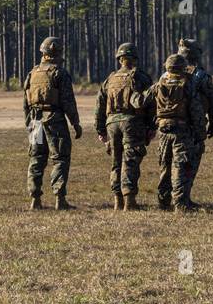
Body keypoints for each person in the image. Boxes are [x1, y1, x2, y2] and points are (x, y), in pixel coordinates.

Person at [132, 53, 203, 211]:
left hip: (163, 130)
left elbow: (140, 102)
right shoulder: (188, 83)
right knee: (180, 166)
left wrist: (134, 93)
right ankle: (180, 203)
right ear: (183, 67)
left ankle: (163, 201)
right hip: (182, 130)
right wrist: (200, 133)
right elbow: (196, 110)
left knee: (165, 165)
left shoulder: (159, 83)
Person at [23, 36, 82, 210]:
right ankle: (59, 199)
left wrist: (29, 123)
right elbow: (68, 101)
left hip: (35, 120)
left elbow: (26, 102)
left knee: (36, 158)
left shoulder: (32, 73)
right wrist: (75, 123)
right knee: (60, 158)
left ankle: (35, 199)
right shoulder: (59, 73)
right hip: (54, 119)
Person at [94, 42, 153, 210]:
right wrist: (151, 127)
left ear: (120, 59)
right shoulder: (141, 77)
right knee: (131, 160)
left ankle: (117, 200)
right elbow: (150, 104)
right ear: (135, 59)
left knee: (116, 161)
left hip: (112, 123)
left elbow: (100, 105)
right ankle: (129, 201)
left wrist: (100, 130)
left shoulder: (110, 79)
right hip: (132, 122)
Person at [177, 38, 213, 195]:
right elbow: (212, 100)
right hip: (194, 125)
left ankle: (165, 198)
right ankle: (183, 196)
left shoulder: (169, 73)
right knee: (190, 161)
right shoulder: (201, 75)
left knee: (168, 161)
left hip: (171, 123)